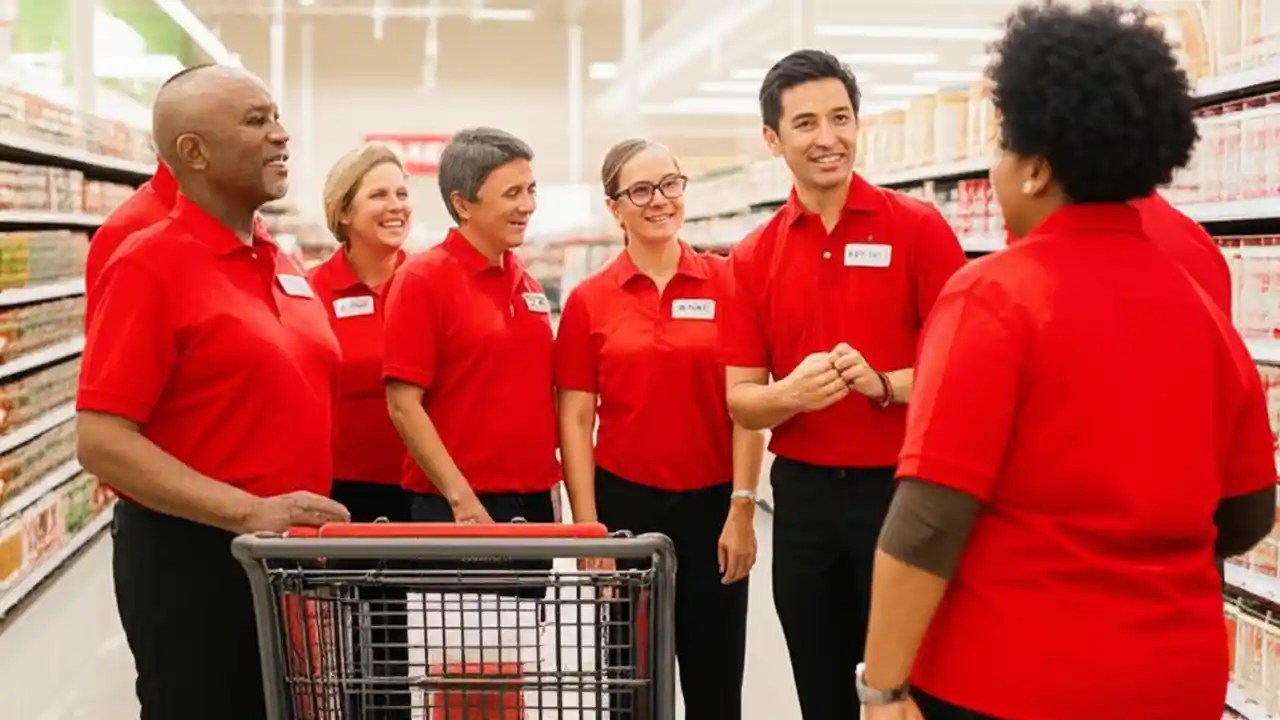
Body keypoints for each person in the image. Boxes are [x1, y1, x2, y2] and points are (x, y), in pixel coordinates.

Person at [858, 5, 1277, 720]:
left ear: (1036, 169)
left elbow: (929, 519)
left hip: (1012, 677)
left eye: (1001, 148)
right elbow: (1247, 513)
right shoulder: (1196, 304)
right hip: (1174, 679)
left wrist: (884, 686)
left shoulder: (994, 295)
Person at [75, 65, 350, 720]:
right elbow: (102, 440)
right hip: (195, 557)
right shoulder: (148, 262)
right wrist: (248, 512)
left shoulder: (278, 259)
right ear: (193, 152)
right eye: (256, 121)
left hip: (283, 557)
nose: (281, 135)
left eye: (278, 117)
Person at [720, 49, 966, 719]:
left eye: (840, 118)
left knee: (911, 688)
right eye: (805, 123)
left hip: (903, 496)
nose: (827, 138)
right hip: (801, 504)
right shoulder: (752, 256)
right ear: (772, 139)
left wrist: (886, 384)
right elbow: (741, 398)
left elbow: (962, 372)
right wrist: (789, 396)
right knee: (819, 679)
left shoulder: (918, 229)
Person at [554, 138, 765, 719]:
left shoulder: (729, 285)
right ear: (614, 206)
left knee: (716, 678)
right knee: (630, 682)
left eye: (670, 184)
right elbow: (575, 419)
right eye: (641, 190)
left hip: (713, 505)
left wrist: (743, 508)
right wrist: (588, 528)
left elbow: (748, 408)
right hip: (626, 506)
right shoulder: (589, 301)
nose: (659, 201)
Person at [383, 127, 559, 594]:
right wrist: (461, 499)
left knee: (519, 658)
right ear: (463, 204)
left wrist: (551, 495)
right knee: (459, 662)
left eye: (531, 189)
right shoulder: (424, 279)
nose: (528, 205)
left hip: (531, 507)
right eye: (512, 193)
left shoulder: (527, 283)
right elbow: (403, 404)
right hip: (457, 508)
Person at [306, 141, 413, 717]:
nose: (395, 205)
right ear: (343, 211)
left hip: (418, 484)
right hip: (343, 487)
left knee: (396, 632)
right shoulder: (310, 291)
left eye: (401, 193)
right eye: (379, 194)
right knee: (352, 636)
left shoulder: (427, 283)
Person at [83, 66, 215, 318]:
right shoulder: (129, 232)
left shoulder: (235, 220)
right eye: (253, 121)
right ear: (192, 147)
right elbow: (117, 350)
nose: (277, 135)